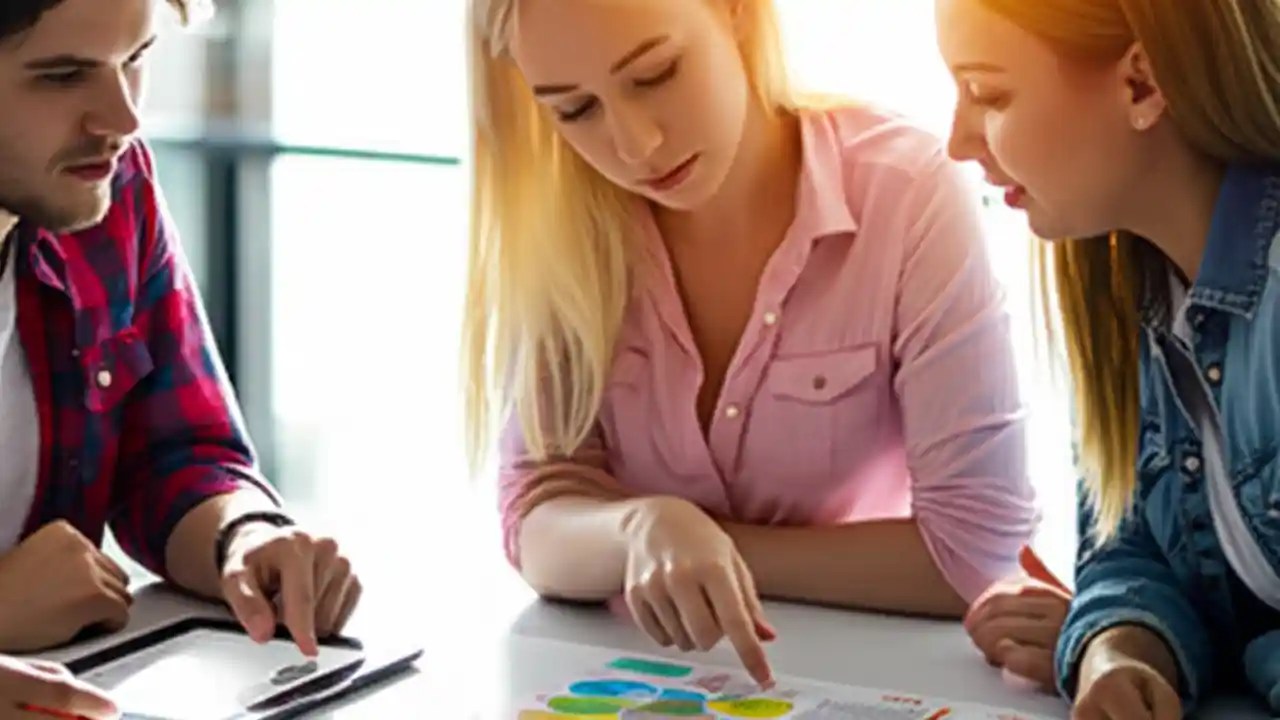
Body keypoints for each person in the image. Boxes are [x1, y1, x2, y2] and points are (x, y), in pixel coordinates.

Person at [464, 0, 1039, 688]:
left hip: (867, 681)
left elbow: (977, 554)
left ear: (737, 11)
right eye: (575, 110)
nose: (635, 142)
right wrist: (641, 531)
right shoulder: (564, 217)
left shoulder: (905, 189)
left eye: (655, 74)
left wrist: (705, 546)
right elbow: (535, 518)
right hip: (644, 677)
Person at [0, 0, 362, 680]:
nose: (124, 121)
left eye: (135, 59)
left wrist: (245, 537)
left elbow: (175, 453)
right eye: (62, 76)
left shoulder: (108, 190)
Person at [937, 0, 1280, 717]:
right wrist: (1120, 648)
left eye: (988, 95)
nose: (958, 142)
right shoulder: (1135, 288)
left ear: (1142, 85)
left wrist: (1243, 652)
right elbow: (1129, 551)